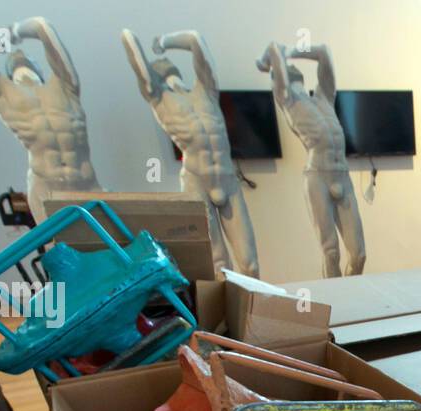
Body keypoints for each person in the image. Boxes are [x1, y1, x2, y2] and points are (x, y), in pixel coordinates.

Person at [123, 29, 260, 277]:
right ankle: (227, 315)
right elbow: (133, 51)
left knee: (250, 263)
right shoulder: (159, 99)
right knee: (219, 264)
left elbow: (197, 41)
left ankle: (257, 313)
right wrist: (130, 35)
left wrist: (164, 41)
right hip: (196, 183)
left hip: (228, 180)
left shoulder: (205, 92)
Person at [0, 12, 102, 223]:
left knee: (114, 251)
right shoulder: (2, 91)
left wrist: (16, 32)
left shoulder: (65, 87)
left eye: (28, 58)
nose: (20, 54)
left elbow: (43, 26)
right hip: (47, 188)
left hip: (88, 184)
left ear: (41, 67)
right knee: (60, 253)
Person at [257, 41, 366, 278]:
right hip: (317, 178)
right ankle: (337, 304)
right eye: (283, 69)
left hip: (343, 178)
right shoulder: (287, 100)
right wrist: (273, 58)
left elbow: (324, 52)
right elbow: (274, 48)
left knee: (359, 254)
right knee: (331, 253)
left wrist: (291, 52)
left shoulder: (323, 97)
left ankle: (353, 295)